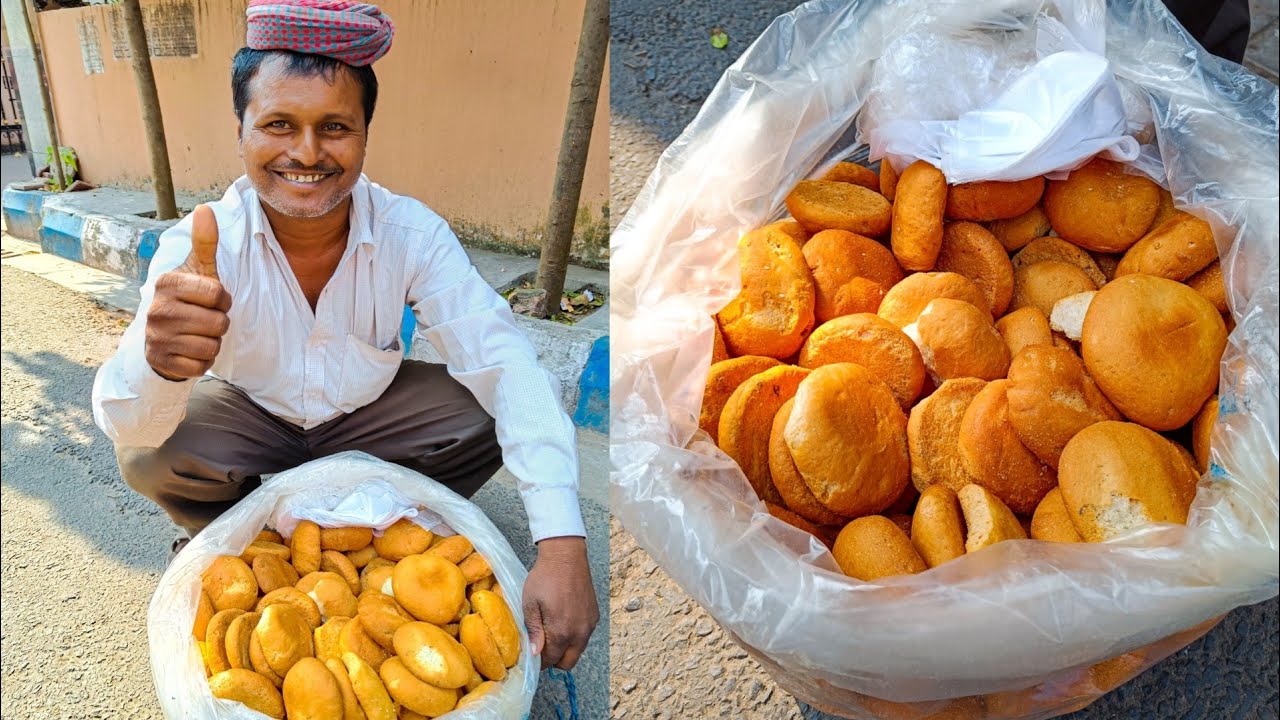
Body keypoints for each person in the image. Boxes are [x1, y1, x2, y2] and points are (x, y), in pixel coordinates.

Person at [90, 0, 597, 672]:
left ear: (365, 134)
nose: (306, 152)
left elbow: (506, 363)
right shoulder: (202, 244)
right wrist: (158, 364)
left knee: (486, 410)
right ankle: (240, 530)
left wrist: (562, 544)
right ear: (240, 131)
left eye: (334, 127)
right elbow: (124, 419)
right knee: (148, 453)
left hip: (367, 417)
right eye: (278, 125)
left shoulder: (411, 233)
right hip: (255, 418)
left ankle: (335, 522)